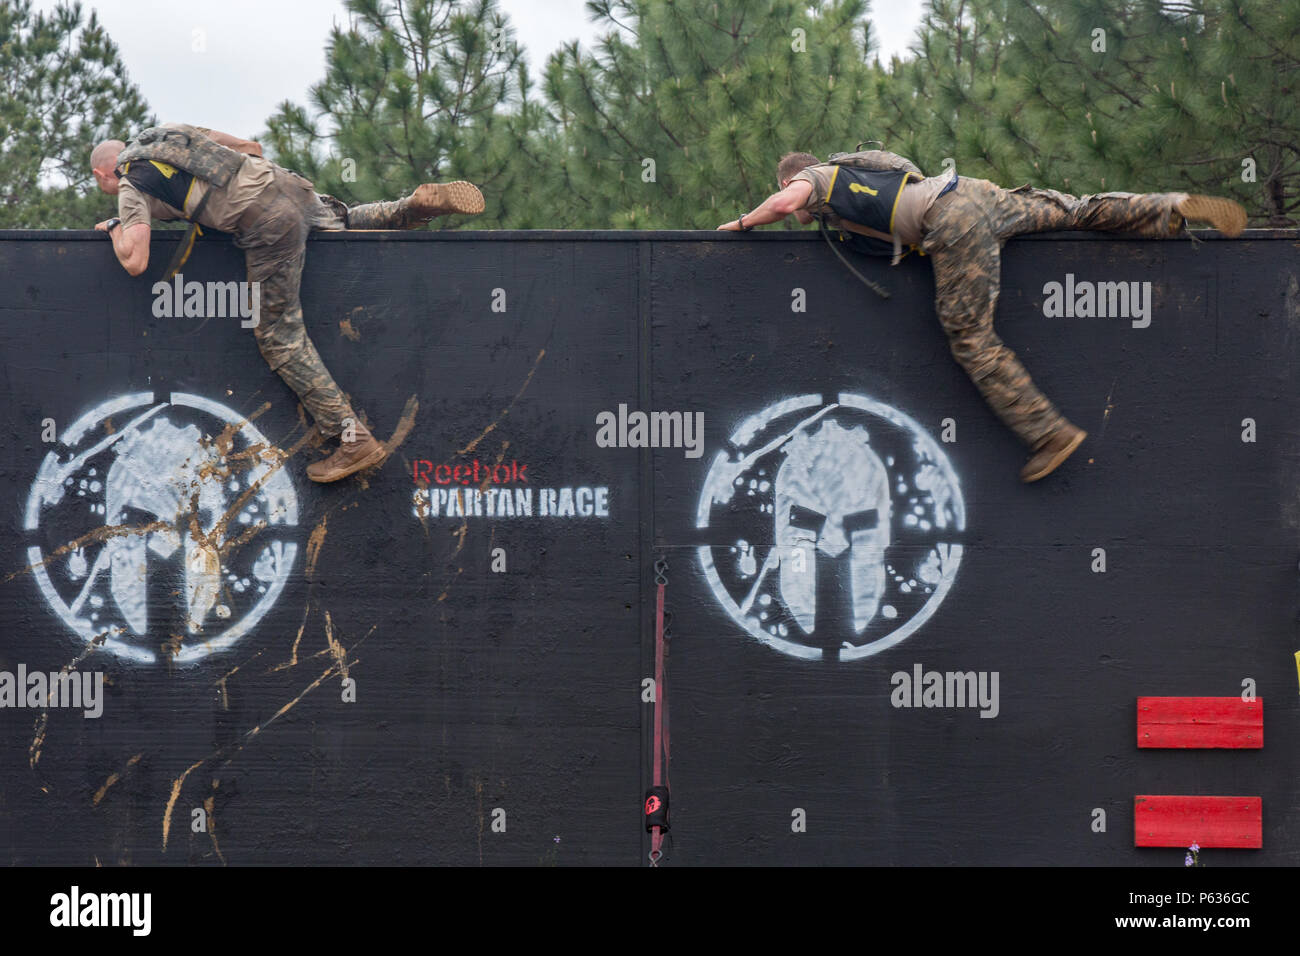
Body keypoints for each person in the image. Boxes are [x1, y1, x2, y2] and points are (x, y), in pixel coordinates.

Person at [717, 149, 1247, 482]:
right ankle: (1169, 209)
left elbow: (788, 205)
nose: (800, 215)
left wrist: (741, 223)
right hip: (970, 191)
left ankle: (1048, 433)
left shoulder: (817, 178)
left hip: (950, 222)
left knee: (970, 338)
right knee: (1075, 209)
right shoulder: (860, 175)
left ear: (790, 181)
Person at [90, 122, 486, 482]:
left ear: (101, 175)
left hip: (265, 220)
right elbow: (252, 146)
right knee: (342, 224)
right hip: (287, 186)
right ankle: (411, 207)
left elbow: (136, 259)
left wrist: (114, 228)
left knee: (278, 335)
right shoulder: (168, 134)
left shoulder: (131, 182)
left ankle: (353, 440)